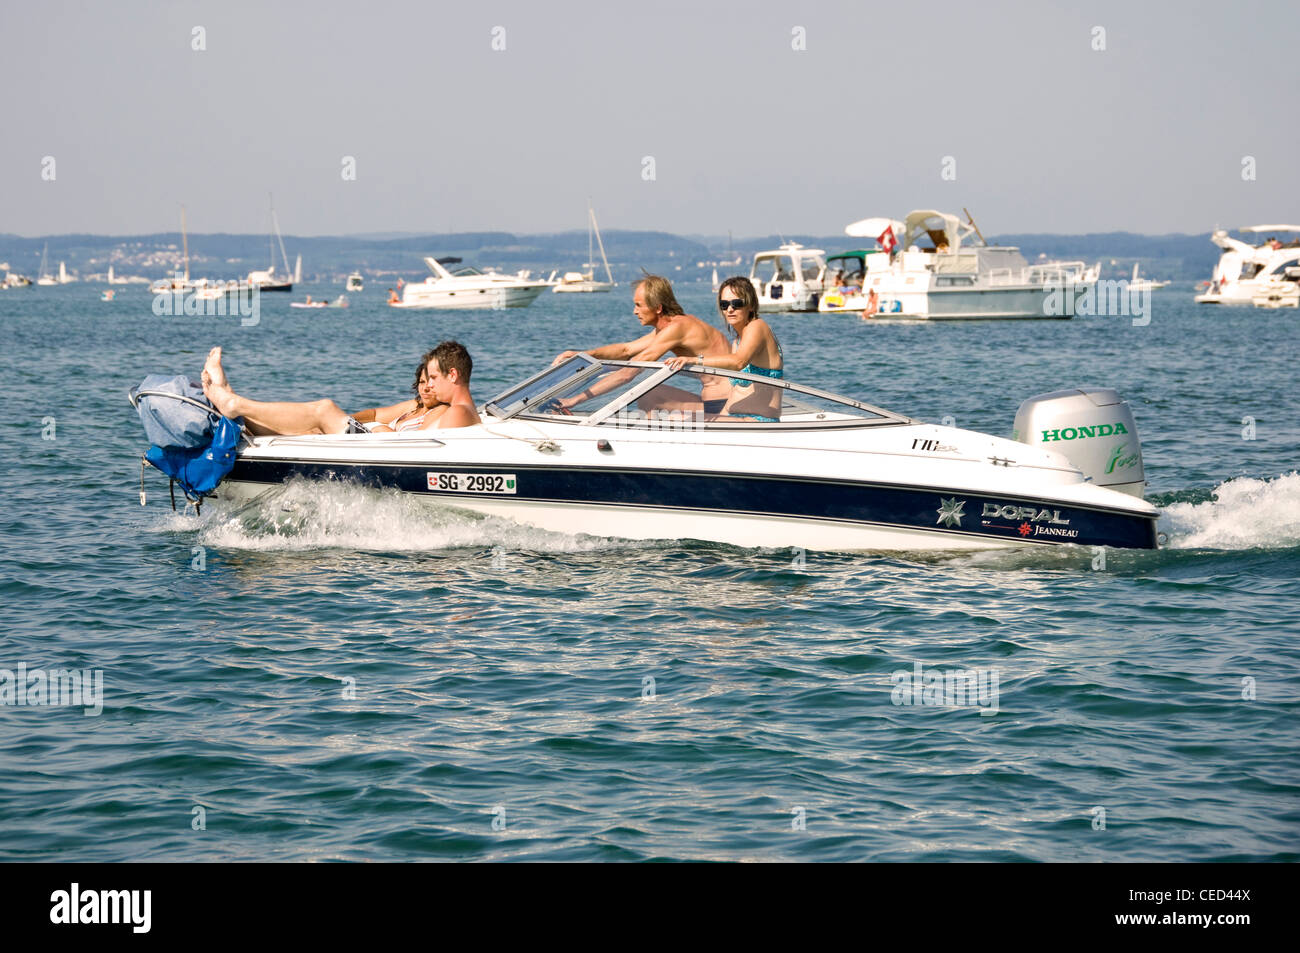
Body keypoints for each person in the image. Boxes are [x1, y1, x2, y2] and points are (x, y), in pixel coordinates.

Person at [199, 342, 479, 435]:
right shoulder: (444, 409)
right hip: (378, 448)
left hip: (381, 453)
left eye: (432, 378)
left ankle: (234, 404)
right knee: (314, 428)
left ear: (452, 374)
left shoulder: (459, 412)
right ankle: (238, 414)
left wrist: (383, 431)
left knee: (325, 409)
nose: (427, 385)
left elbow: (426, 456)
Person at [552, 275, 730, 412]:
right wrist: (581, 354)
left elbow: (628, 373)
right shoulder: (671, 327)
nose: (634, 311)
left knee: (648, 395)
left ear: (658, 308)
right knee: (650, 395)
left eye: (639, 305)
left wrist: (574, 400)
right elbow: (626, 349)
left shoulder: (678, 328)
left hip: (724, 406)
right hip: (713, 401)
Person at [666, 277, 783, 421]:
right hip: (733, 419)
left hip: (757, 421)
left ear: (751, 306)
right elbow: (736, 393)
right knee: (670, 417)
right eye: (724, 304)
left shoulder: (757, 326)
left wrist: (694, 360)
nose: (730, 309)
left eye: (737, 303)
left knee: (677, 421)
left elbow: (738, 362)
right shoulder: (737, 342)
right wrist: (717, 416)